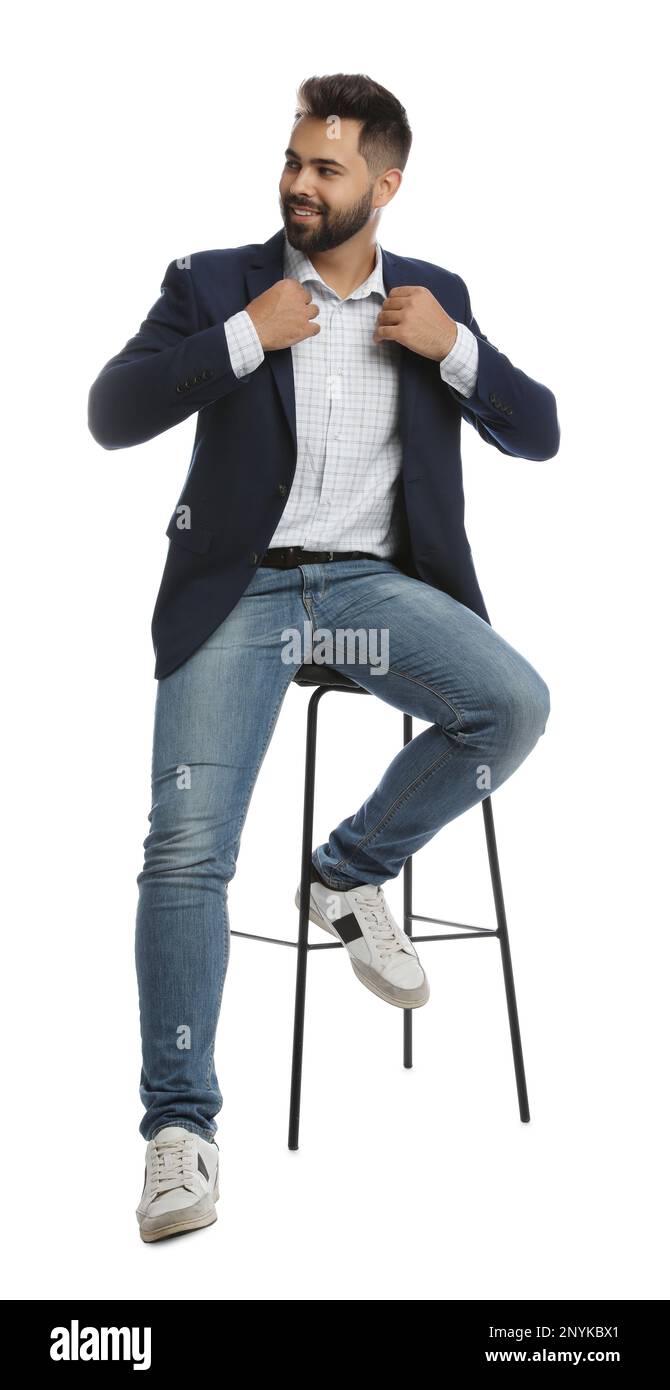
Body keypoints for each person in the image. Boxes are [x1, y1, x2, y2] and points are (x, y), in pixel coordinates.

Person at [88, 72, 559, 1243]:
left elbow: (539, 430)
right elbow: (113, 410)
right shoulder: (212, 283)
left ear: (384, 185)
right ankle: (179, 1133)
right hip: (241, 597)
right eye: (294, 160)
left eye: (328, 168)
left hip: (365, 595)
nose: (301, 182)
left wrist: (456, 353)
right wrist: (247, 339)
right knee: (187, 847)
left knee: (510, 704)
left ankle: (346, 871)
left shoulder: (434, 296)